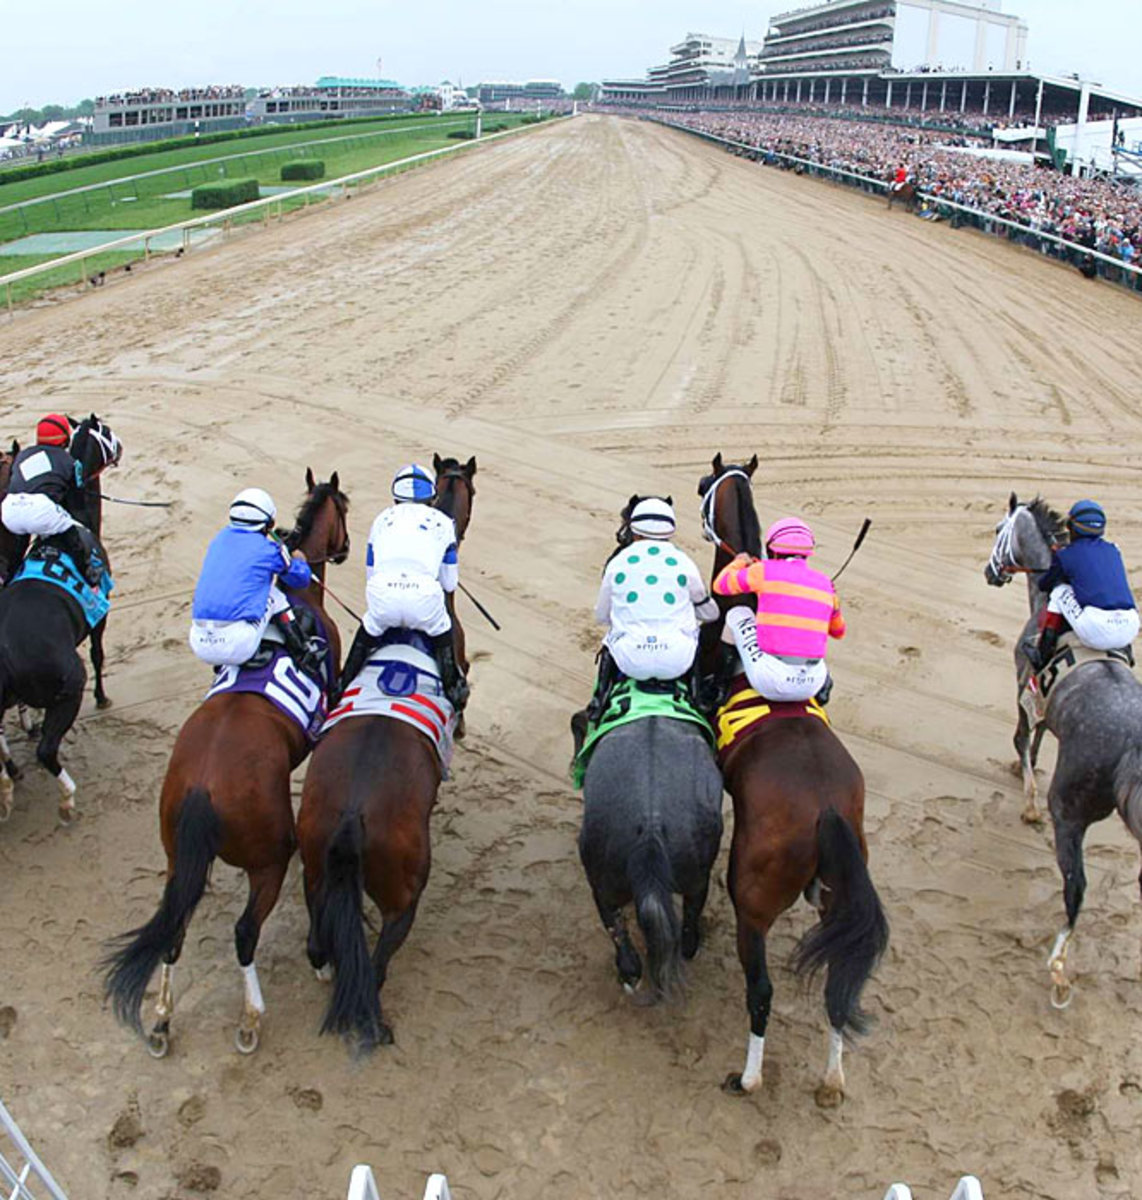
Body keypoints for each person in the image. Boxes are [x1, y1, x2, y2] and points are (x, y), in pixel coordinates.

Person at [337, 463, 469, 710]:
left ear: (396, 496)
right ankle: (453, 691)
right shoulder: (443, 522)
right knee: (444, 629)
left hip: (382, 601)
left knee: (367, 629)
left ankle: (342, 685)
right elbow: (449, 583)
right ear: (431, 496)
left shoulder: (381, 519)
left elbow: (371, 574)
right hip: (425, 606)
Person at [586, 497, 718, 722]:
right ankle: (698, 699)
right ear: (670, 532)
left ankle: (599, 702)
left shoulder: (617, 563)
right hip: (677, 660)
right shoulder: (684, 562)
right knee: (694, 637)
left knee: (610, 639)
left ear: (634, 532)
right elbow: (710, 614)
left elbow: (601, 616)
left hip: (630, 661)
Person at [189, 488, 321, 675]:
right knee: (275, 597)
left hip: (199, 643)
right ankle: (304, 652)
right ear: (269, 524)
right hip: (237, 645)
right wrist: (300, 561)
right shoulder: (268, 550)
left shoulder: (218, 540)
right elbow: (299, 580)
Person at [712, 517, 845, 703]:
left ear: (772, 550)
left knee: (737, 614)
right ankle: (824, 688)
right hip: (812, 684)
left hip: (772, 681)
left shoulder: (761, 571)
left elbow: (720, 585)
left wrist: (739, 562)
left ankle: (718, 687)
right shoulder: (825, 584)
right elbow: (838, 632)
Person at [1026, 499, 1139, 669]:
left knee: (1059, 591)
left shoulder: (1066, 555)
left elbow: (1045, 585)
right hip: (1130, 628)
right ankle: (1126, 652)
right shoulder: (1114, 549)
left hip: (1096, 630)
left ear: (1071, 527)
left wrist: (1060, 560)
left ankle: (1042, 653)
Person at [1, 413, 103, 586]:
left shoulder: (22, 455)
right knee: (73, 532)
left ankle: (7, 578)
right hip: (40, 508)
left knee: (18, 546)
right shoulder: (69, 460)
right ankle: (89, 575)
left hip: (9, 508)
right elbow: (76, 493)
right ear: (65, 439)